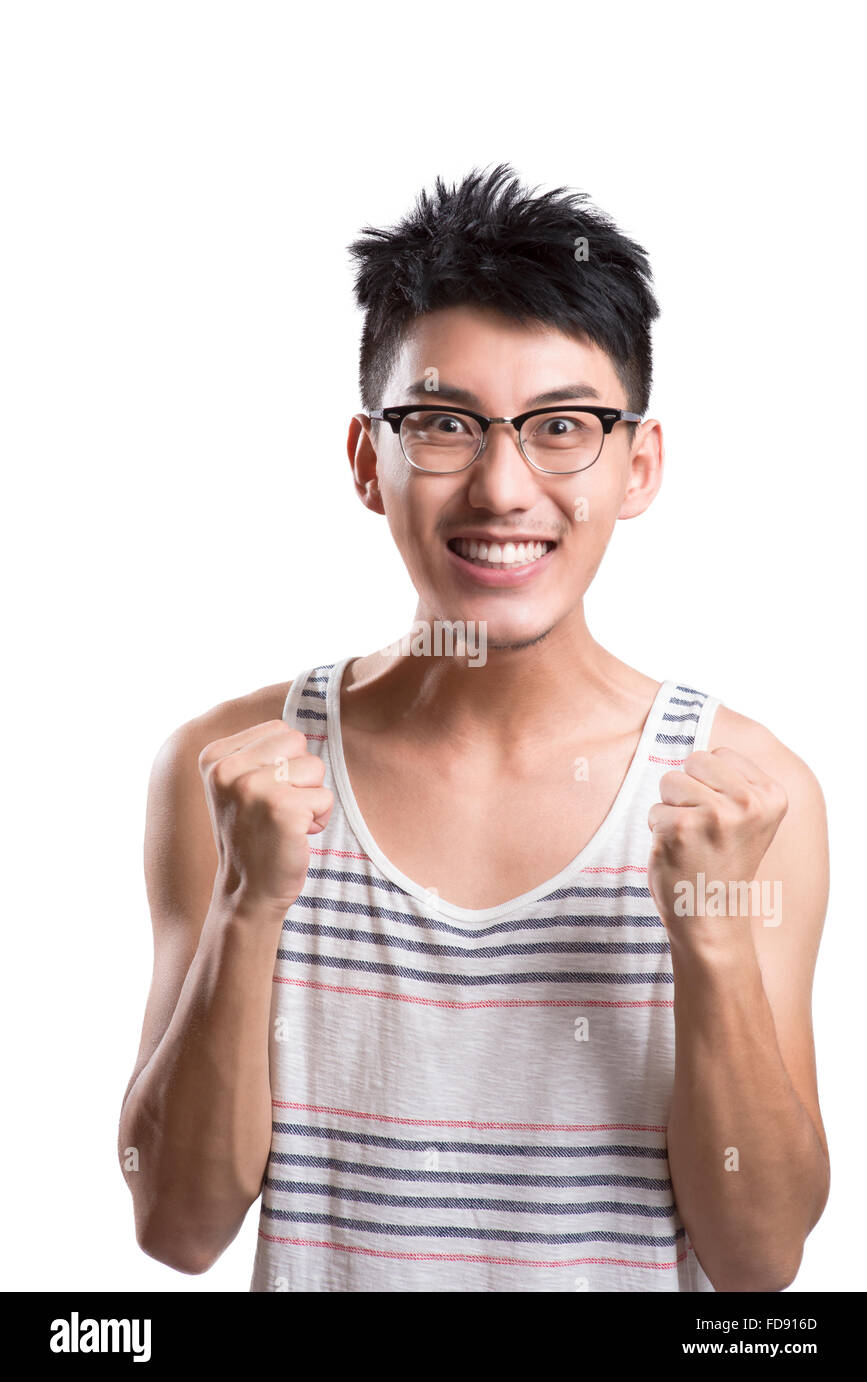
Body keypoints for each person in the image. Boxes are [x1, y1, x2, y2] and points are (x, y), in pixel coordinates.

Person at [118, 164, 830, 1292]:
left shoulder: (744, 792)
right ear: (368, 459)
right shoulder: (232, 773)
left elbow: (759, 1260)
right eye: (444, 423)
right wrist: (250, 907)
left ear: (638, 465)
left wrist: (716, 943)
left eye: (564, 427)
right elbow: (178, 1223)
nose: (503, 487)